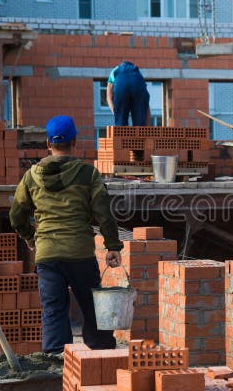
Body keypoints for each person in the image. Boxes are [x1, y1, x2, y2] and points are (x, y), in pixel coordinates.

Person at [9, 115, 124, 354]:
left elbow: (16, 216)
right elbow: (103, 212)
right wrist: (112, 245)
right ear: (74, 142)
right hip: (80, 253)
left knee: (54, 311)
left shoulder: (31, 176)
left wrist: (31, 238)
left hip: (48, 255)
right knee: (93, 309)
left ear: (48, 143)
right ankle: (102, 359)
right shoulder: (87, 174)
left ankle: (56, 364)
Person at [107, 61, 151, 127]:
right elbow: (145, 99)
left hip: (121, 87)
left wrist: (117, 113)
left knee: (121, 127)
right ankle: (142, 133)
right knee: (140, 126)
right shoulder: (137, 72)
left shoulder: (115, 71)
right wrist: (145, 122)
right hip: (138, 87)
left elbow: (109, 96)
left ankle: (122, 132)